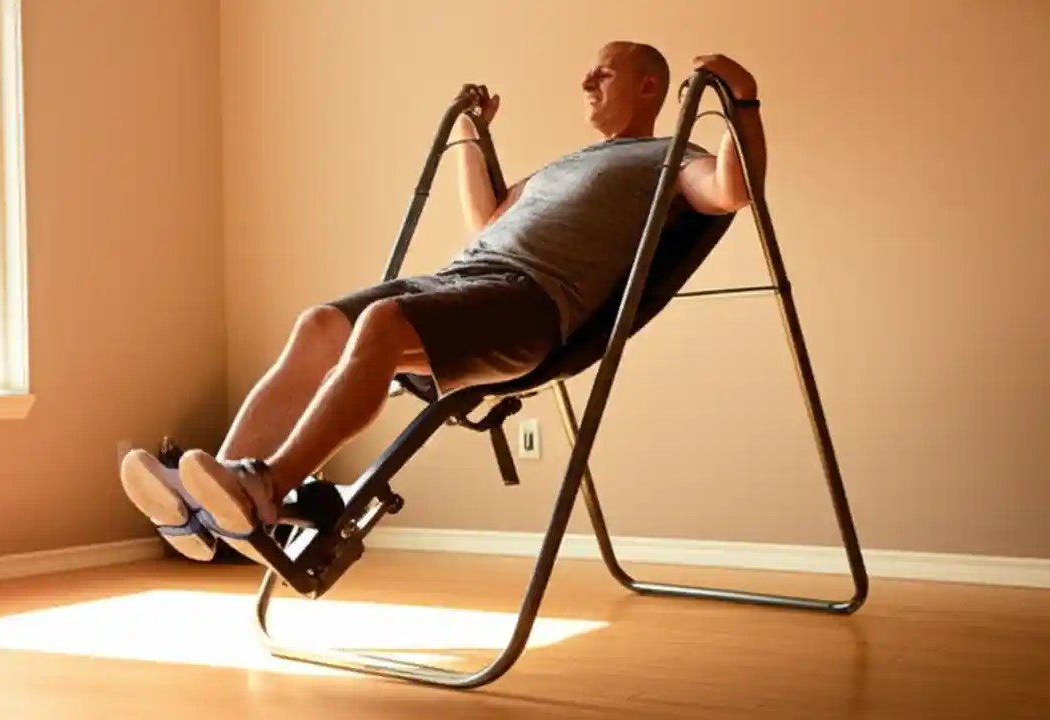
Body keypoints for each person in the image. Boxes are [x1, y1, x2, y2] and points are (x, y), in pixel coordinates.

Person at [120, 41, 766, 564]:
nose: (587, 84)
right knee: (319, 324)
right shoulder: (564, 165)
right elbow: (487, 221)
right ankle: (212, 503)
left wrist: (740, 96)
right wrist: (471, 134)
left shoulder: (676, 154)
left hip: (529, 304)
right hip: (461, 277)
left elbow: (735, 192)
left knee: (380, 323)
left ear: (648, 87)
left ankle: (267, 485)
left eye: (603, 73)